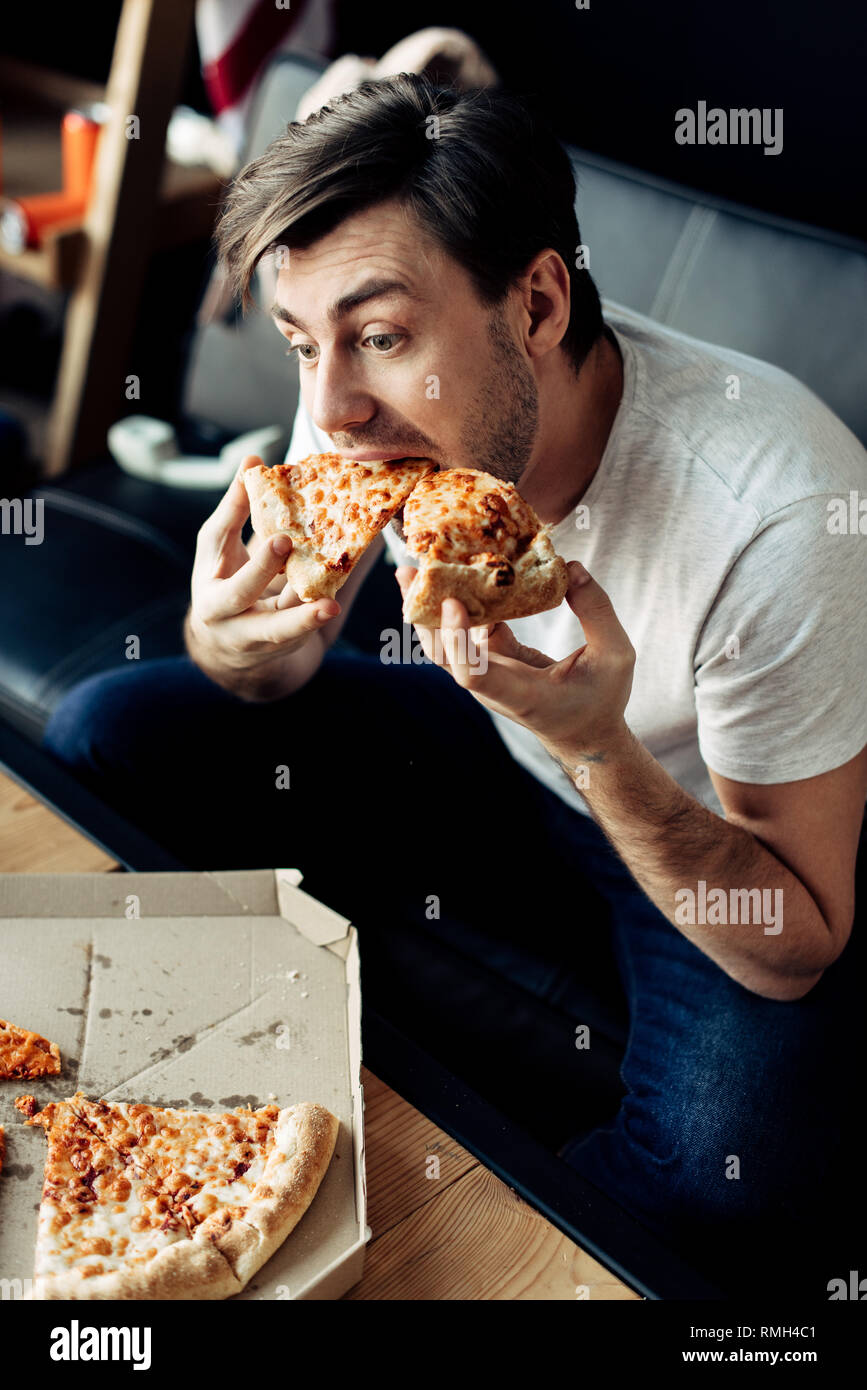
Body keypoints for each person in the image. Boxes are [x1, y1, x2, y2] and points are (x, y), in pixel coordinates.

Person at [44, 74, 867, 1296]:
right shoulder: (363, 401)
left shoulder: (780, 517)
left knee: (720, 1175)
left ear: (536, 299)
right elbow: (283, 663)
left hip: (701, 825)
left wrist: (600, 749)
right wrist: (229, 641)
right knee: (104, 729)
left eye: (379, 337)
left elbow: (798, 941)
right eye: (300, 343)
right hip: (501, 739)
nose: (327, 408)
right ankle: (222, 1124)